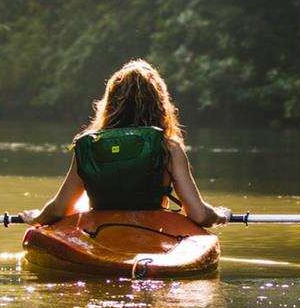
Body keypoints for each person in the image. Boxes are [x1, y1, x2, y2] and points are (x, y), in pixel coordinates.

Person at [20, 60, 230, 227]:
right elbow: (200, 215)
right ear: (159, 104)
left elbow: (59, 209)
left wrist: (37, 217)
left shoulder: (90, 146)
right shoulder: (169, 148)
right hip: (153, 234)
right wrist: (220, 214)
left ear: (110, 102)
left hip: (100, 234)